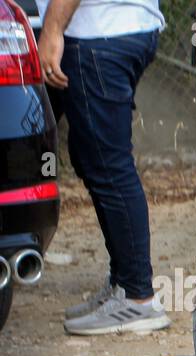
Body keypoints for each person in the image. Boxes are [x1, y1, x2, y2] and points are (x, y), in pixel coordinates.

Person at [36, 0, 170, 335]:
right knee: (89, 156)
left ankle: (139, 299)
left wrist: (52, 29)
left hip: (98, 35)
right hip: (118, 30)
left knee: (110, 166)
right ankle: (124, 284)